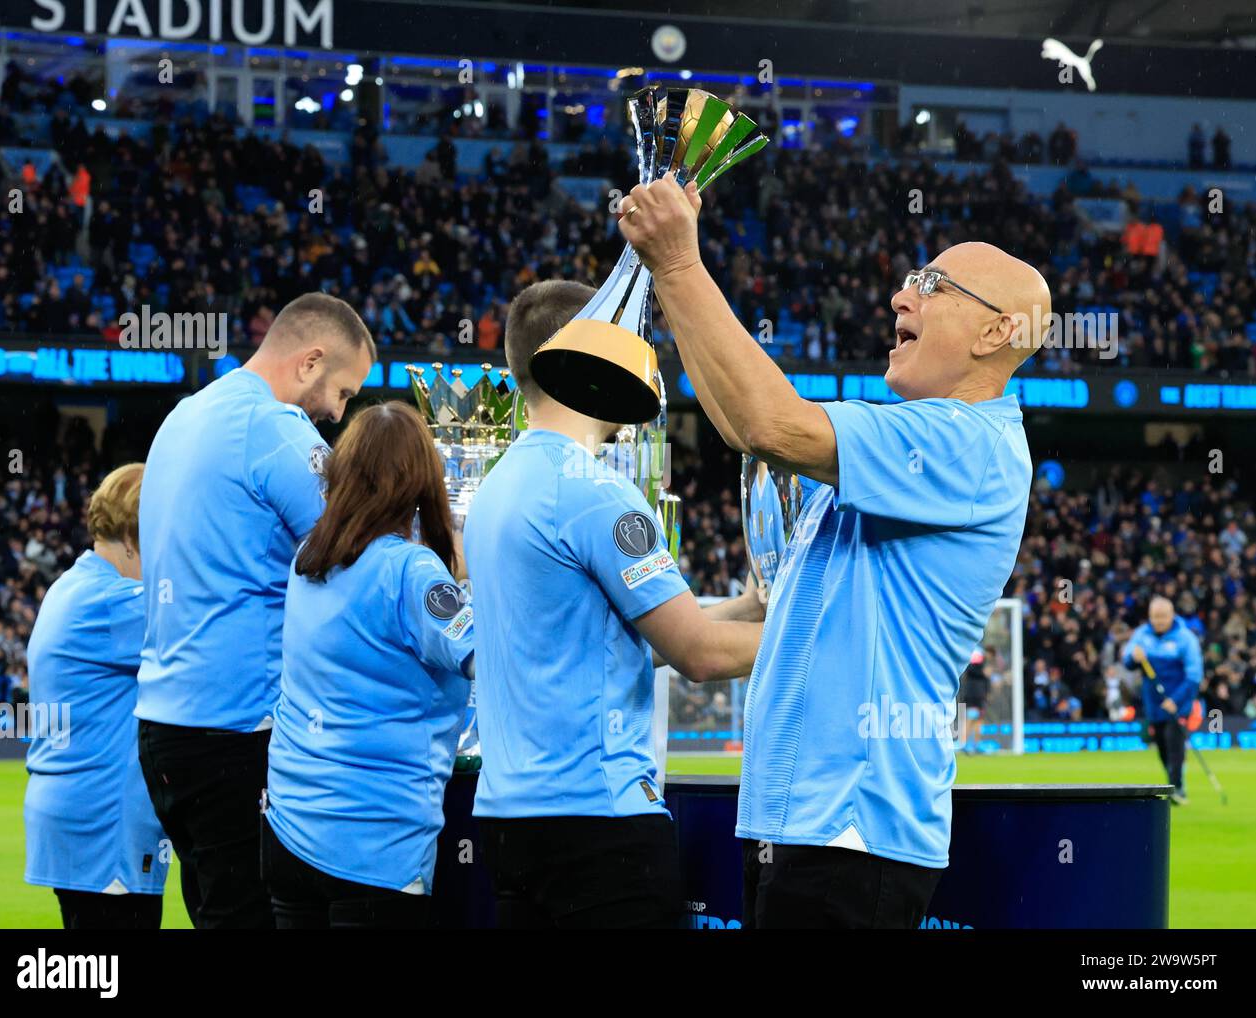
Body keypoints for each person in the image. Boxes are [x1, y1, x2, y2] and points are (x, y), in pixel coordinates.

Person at [619, 174, 1044, 929]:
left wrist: (682, 263)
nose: (899, 299)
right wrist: (664, 270)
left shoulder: (967, 444)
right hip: (804, 823)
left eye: (932, 285)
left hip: (854, 833)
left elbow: (769, 426)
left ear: (993, 334)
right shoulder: (908, 448)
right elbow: (740, 425)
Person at [463, 279, 765, 930]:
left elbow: (598, 647)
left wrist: (746, 612)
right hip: (598, 828)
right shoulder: (596, 492)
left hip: (511, 821)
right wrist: (826, 634)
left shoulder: (498, 487)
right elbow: (699, 656)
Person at [136, 293, 375, 929]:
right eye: (344, 392)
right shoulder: (273, 428)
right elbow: (358, 548)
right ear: (310, 362)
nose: (337, 414)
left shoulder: (185, 415)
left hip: (166, 729)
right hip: (235, 733)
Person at [262, 402, 473, 929]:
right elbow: (490, 658)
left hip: (289, 822)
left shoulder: (309, 557)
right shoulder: (411, 571)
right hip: (375, 841)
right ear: (419, 482)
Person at [24, 463, 169, 929]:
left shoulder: (74, 588)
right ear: (135, 534)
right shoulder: (110, 602)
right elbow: (202, 620)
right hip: (104, 825)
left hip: (84, 818)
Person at [1121, 596, 1203, 804]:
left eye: (1162, 616)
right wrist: (1133, 658)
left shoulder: (1185, 638)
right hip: (1153, 700)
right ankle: (1173, 779)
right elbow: (1127, 661)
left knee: (1174, 740)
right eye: (1155, 616)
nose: (1158, 620)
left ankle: (1177, 788)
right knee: (1161, 744)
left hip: (1178, 700)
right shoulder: (1141, 635)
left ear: (1171, 614)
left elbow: (1194, 676)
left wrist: (1176, 700)